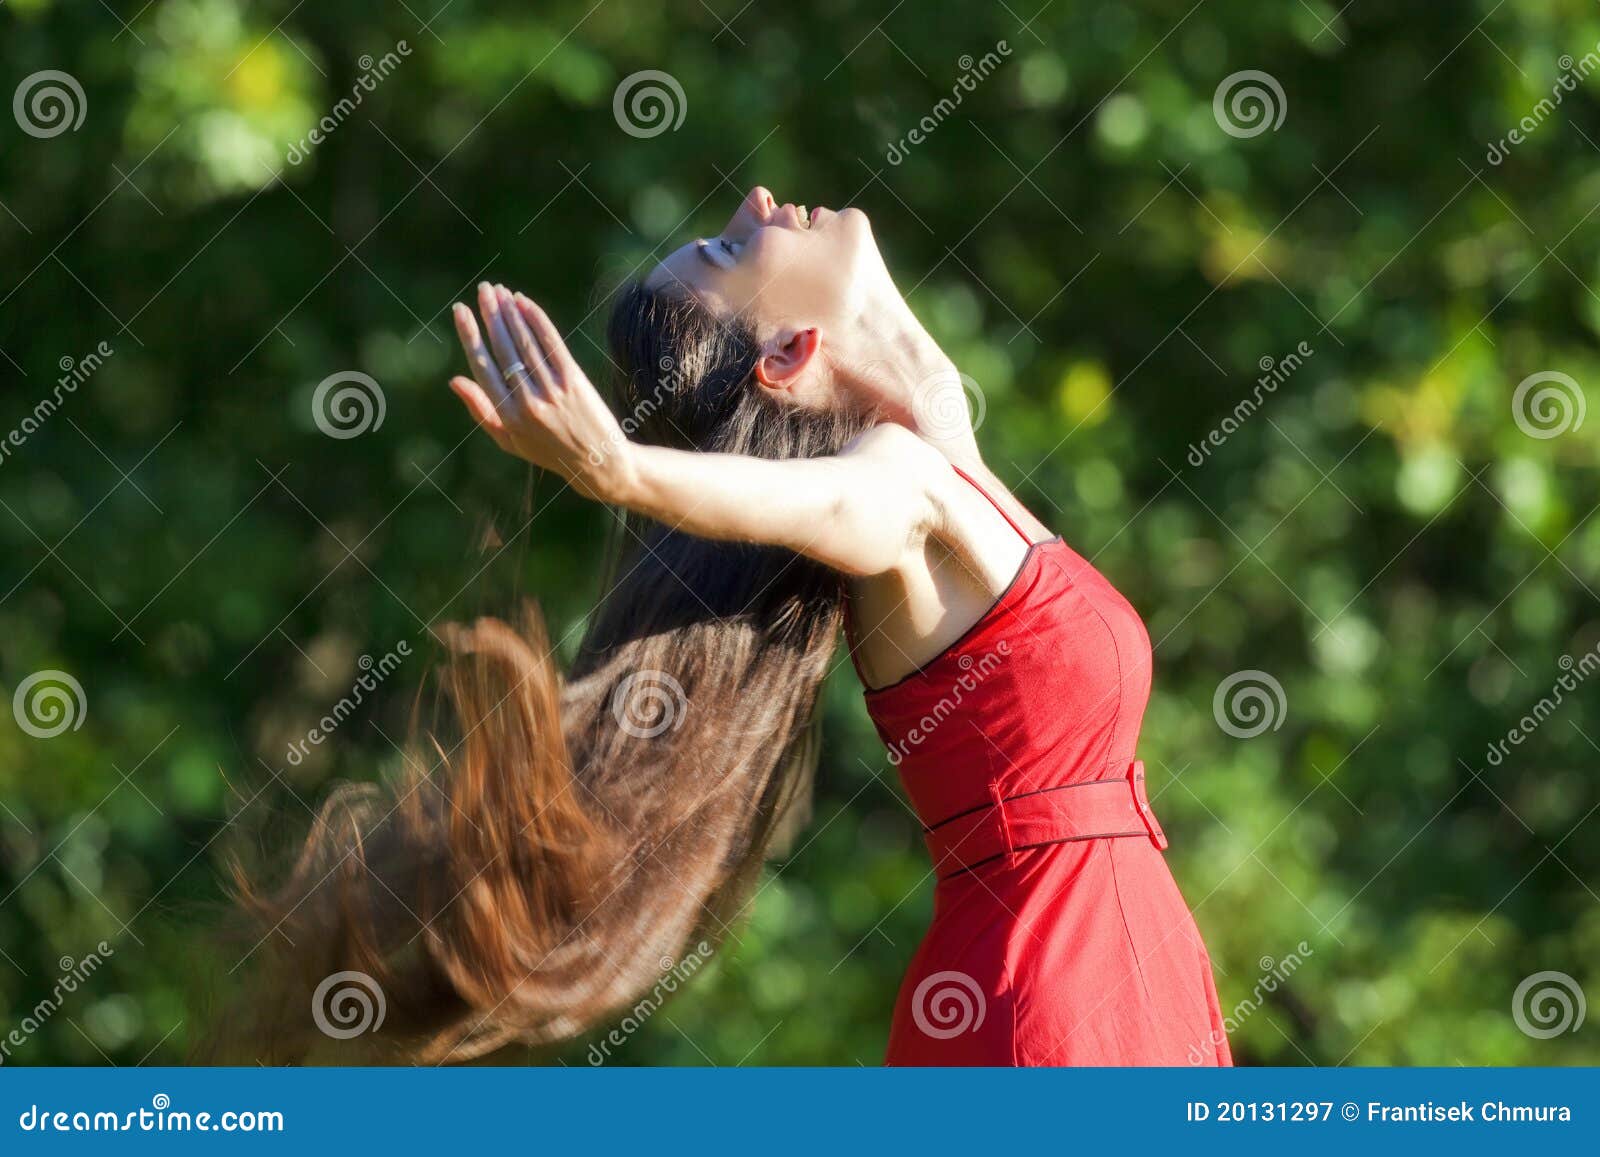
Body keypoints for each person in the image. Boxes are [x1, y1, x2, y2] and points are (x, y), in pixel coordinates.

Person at [233, 186, 1230, 1066]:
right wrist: (619, 470)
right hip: (1053, 995)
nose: (756, 201)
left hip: (1107, 963)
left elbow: (917, 381)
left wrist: (851, 321)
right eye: (726, 248)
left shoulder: (935, 455)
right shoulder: (900, 485)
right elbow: (849, 500)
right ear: (791, 351)